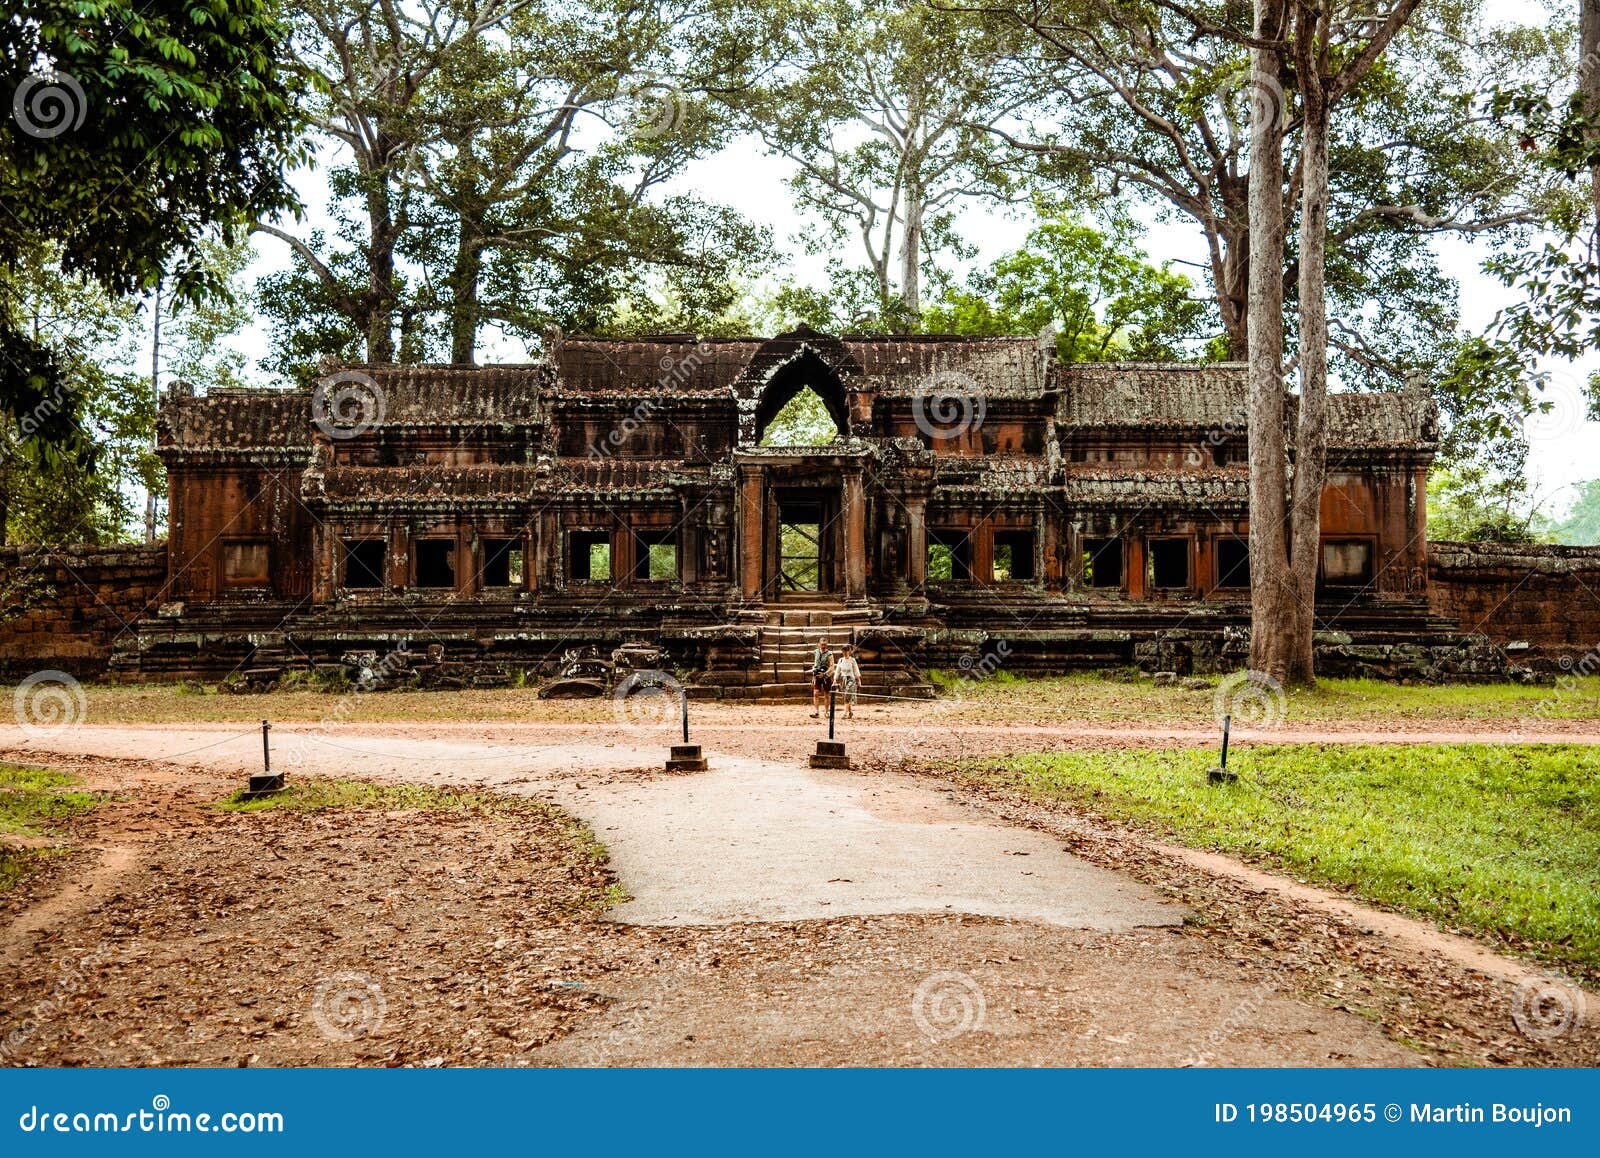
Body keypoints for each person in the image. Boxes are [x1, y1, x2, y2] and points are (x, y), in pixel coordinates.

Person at [833, 644, 861, 719]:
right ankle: (850, 712)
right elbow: (838, 670)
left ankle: (845, 713)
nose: (845, 653)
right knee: (845, 696)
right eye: (843, 651)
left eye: (846, 651)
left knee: (847, 694)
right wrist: (835, 679)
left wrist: (858, 680)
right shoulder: (841, 660)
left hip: (851, 679)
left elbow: (856, 670)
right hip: (843, 680)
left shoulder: (852, 660)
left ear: (849, 651)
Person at [809, 639, 833, 718]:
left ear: (827, 644)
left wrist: (824, 674)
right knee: (815, 693)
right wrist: (814, 672)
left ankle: (826, 712)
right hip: (817, 675)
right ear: (819, 644)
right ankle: (816, 712)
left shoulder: (829, 654)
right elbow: (815, 663)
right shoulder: (816, 652)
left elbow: (831, 666)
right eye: (822, 644)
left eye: (825, 644)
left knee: (826, 694)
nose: (823, 646)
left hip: (826, 676)